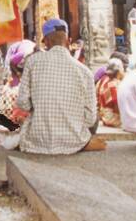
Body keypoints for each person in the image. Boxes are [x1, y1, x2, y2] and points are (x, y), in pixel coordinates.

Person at [9, 18, 104, 154]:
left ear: (46, 41)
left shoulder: (32, 62)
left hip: (36, 141)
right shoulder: (85, 71)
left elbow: (23, 103)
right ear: (69, 41)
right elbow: (90, 119)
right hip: (74, 142)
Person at [96, 59, 124, 128]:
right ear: (118, 72)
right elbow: (116, 104)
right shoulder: (114, 84)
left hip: (104, 117)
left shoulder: (103, 80)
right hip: (112, 119)